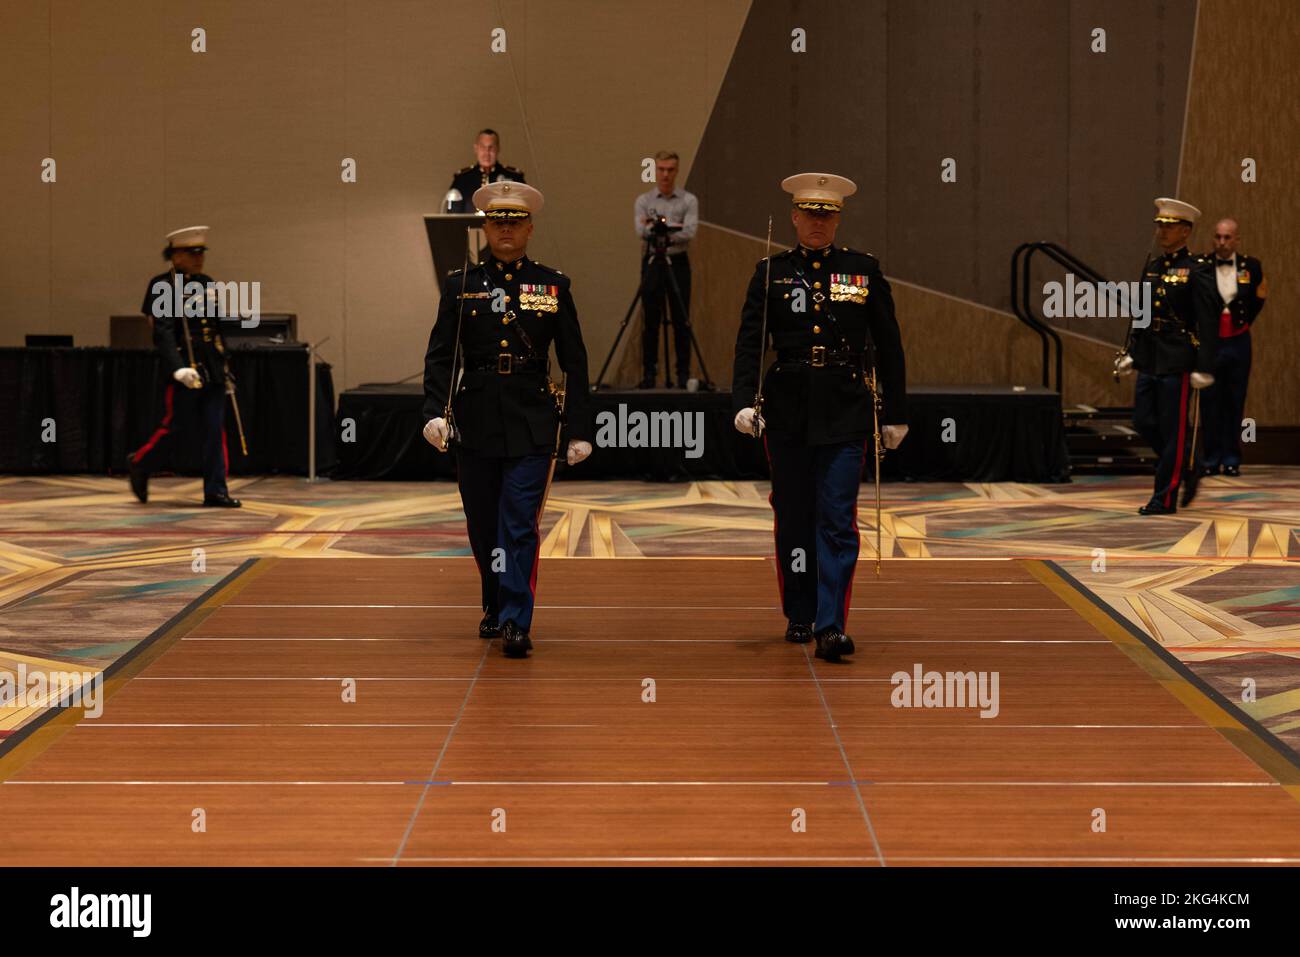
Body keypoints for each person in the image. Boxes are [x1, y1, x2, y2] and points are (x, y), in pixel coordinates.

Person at [732, 173, 908, 662]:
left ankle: (831, 625)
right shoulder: (770, 270)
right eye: (809, 213)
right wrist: (743, 399)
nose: (818, 222)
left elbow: (890, 346)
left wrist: (897, 413)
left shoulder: (863, 270)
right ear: (794, 217)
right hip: (787, 407)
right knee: (792, 517)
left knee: (837, 519)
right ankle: (800, 611)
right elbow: (750, 342)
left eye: (827, 214)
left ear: (837, 219)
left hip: (845, 407)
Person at [422, 182, 593, 658]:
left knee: (518, 522)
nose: (505, 230)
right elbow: (440, 356)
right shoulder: (461, 285)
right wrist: (435, 411)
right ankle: (495, 602)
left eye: (515, 222)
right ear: (484, 227)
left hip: (532, 417)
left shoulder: (553, 286)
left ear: (529, 228)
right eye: (497, 222)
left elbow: (576, 363)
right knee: (481, 522)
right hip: (475, 416)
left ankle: (517, 618)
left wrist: (579, 428)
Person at [1115, 198, 1218, 512]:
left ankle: (1164, 497)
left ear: (1185, 232)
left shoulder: (1198, 269)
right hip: (1150, 355)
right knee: (1144, 421)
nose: (1161, 231)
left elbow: (1209, 320)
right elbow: (1142, 313)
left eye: (1169, 227)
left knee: (1173, 429)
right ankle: (1189, 464)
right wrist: (1132, 352)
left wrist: (1205, 367)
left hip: (1178, 357)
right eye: (1160, 225)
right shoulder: (1154, 267)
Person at [127, 226, 241, 508]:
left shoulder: (206, 283)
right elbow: (162, 332)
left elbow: (214, 328)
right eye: (192, 253)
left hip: (210, 368)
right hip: (185, 368)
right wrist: (178, 368)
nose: (199, 258)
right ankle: (141, 463)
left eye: (201, 252)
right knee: (175, 429)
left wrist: (223, 362)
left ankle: (216, 490)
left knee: (216, 429)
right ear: (175, 256)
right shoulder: (162, 286)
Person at [1201, 218, 1267, 477]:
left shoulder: (1252, 266)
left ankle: (1231, 458)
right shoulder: (1202, 267)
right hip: (1211, 342)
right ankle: (1210, 459)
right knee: (1209, 401)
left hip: (1239, 340)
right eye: (1218, 237)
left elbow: (1259, 298)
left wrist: (1243, 321)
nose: (1222, 242)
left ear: (1237, 239)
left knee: (1235, 400)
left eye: (1227, 237)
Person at [633, 150, 699, 388]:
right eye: (661, 169)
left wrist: (664, 233)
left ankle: (683, 374)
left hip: (678, 263)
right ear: (655, 170)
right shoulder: (644, 201)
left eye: (670, 170)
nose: (665, 174)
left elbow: (690, 232)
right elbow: (641, 231)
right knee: (650, 319)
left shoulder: (688, 200)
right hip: (652, 261)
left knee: (681, 318)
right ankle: (649, 373)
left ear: (676, 171)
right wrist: (671, 231)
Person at [445, 129, 525, 213]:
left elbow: (523, 213)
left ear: (498, 149)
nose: (487, 153)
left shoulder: (514, 177)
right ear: (476, 149)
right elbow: (453, 216)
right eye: (483, 147)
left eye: (491, 148)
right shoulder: (462, 179)